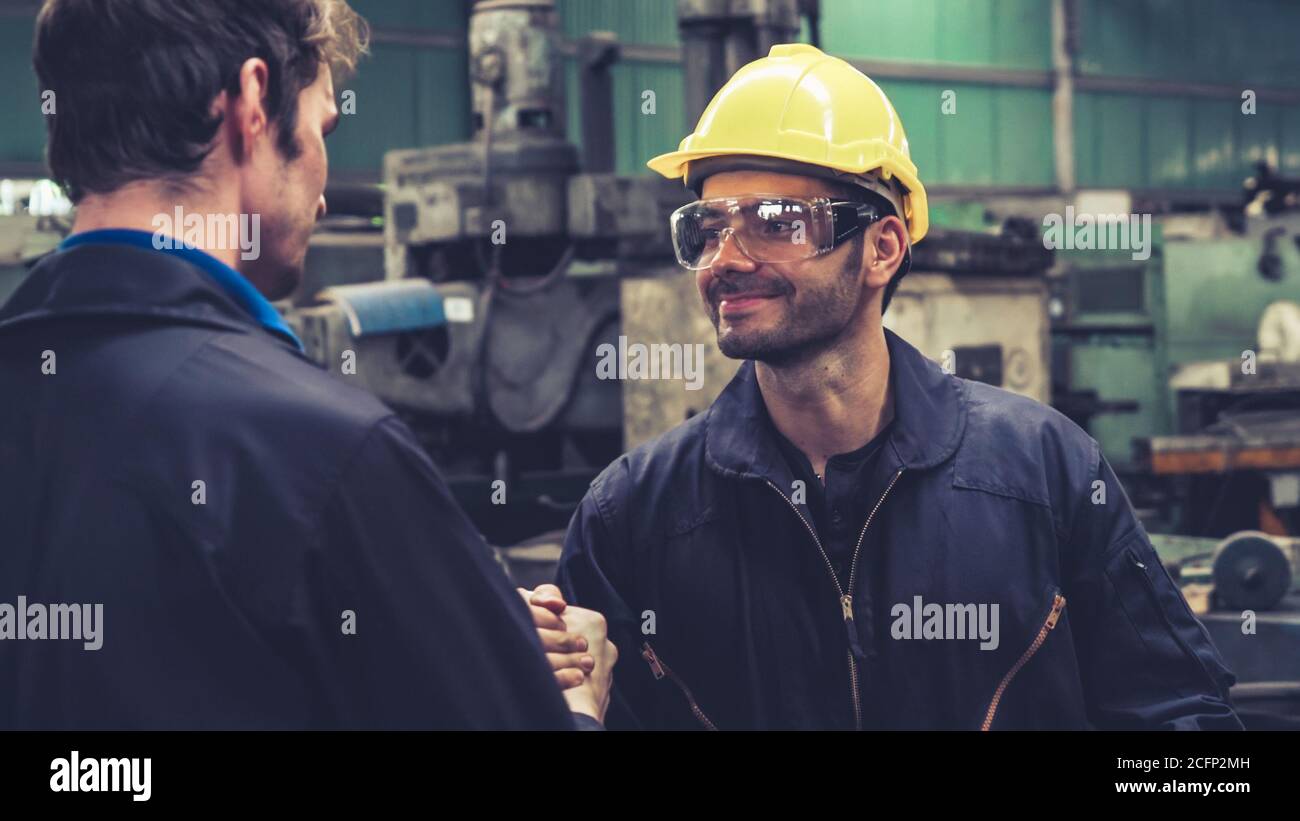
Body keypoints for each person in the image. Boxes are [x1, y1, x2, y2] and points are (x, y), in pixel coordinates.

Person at [541, 44, 1242, 730]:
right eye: (708, 226)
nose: (726, 259)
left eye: (775, 222)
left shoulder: (1045, 472)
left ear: (882, 248)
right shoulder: (629, 518)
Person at [0, 0, 612, 730]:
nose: (324, 194)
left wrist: (437, 613)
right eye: (325, 127)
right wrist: (576, 708)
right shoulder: (324, 454)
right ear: (254, 103)